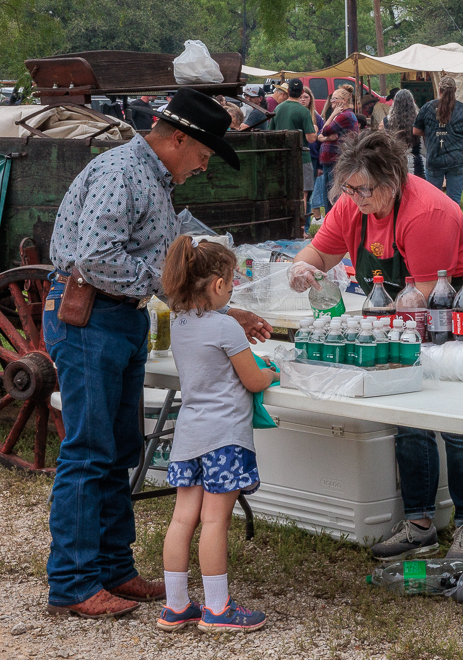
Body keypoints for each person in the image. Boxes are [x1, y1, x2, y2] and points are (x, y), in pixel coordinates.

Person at [44, 89, 271, 619]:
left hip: (117, 316)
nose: (203, 165)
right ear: (178, 139)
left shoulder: (151, 177)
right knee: (89, 450)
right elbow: (95, 258)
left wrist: (218, 307)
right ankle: (74, 584)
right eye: (204, 153)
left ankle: (113, 568)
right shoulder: (124, 171)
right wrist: (172, 284)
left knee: (120, 448)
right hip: (89, 315)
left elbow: (168, 263)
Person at [287, 131, 463, 561]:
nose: (356, 198)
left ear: (395, 180)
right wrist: (301, 269)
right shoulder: (352, 203)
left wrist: (383, 332)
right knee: (407, 413)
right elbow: (319, 253)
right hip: (396, 317)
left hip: (458, 310)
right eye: (349, 189)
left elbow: (423, 297)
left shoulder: (427, 213)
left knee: (459, 419)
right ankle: (420, 523)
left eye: (365, 190)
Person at [157, 236, 276, 633]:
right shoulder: (226, 327)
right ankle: (218, 609)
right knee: (214, 523)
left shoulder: (179, 323)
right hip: (224, 439)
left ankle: (175, 607)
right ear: (218, 286)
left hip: (188, 437)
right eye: (231, 281)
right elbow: (254, 380)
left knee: (181, 521)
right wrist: (272, 372)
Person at [413, 76, 463, 205]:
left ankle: (435, 224)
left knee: (433, 201)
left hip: (434, 159)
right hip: (456, 160)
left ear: (439, 89)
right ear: (455, 90)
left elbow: (415, 131)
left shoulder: (427, 107)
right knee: (454, 201)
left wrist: (430, 132)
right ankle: (453, 224)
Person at [270, 80, 319, 220]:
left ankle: (283, 224)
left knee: (284, 192)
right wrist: (315, 131)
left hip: (281, 157)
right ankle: (301, 228)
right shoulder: (303, 111)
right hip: (301, 157)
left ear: (288, 92)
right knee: (302, 194)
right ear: (302, 92)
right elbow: (310, 139)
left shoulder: (278, 109)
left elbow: (271, 133)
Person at [318, 84, 360, 214]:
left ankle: (335, 221)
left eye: (335, 99)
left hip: (336, 159)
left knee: (334, 195)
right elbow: (321, 134)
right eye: (331, 99)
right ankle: (330, 221)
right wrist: (326, 138)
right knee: (328, 194)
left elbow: (325, 130)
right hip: (330, 160)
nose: (332, 101)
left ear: (344, 100)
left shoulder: (345, 115)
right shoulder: (340, 115)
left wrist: (333, 115)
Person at [302, 89, 326, 231]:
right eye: (300, 97)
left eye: (306, 97)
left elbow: (322, 142)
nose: (303, 99)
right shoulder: (296, 114)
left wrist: (320, 166)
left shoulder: (317, 118)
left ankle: (306, 226)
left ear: (311, 99)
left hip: (312, 158)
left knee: (308, 193)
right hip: (298, 156)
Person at [388, 89, 424, 178]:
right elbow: (424, 145)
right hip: (417, 163)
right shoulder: (419, 120)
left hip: (394, 163)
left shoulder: (386, 121)